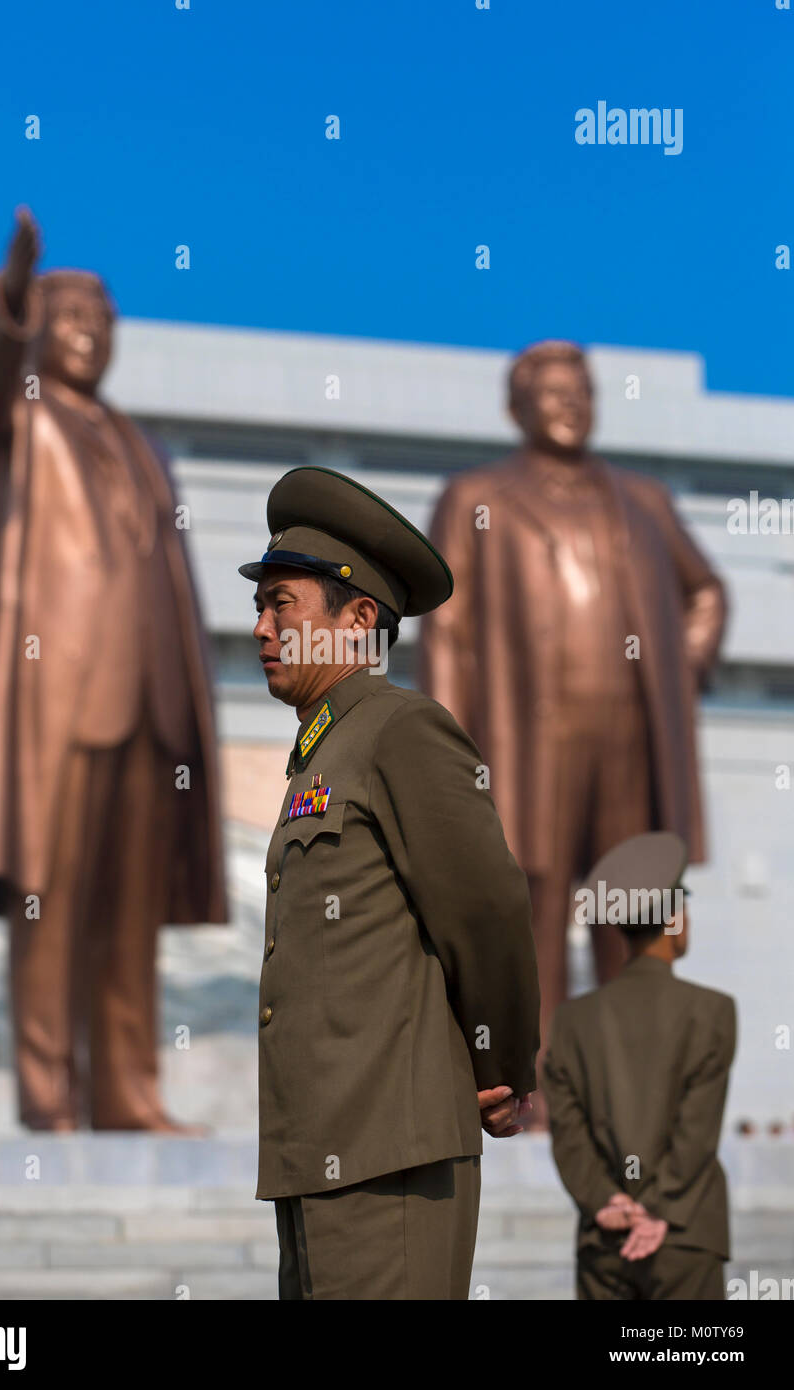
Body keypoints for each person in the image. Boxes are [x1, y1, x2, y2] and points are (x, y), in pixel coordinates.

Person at [0, 207, 227, 1131]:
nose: (89, 337)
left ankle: (127, 1088)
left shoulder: (143, 446)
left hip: (150, 704)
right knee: (50, 897)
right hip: (58, 699)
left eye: (102, 325)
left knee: (130, 916)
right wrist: (9, 302)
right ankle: (48, 1091)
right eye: (70, 321)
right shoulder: (13, 422)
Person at [238, 465, 540, 1299]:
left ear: (358, 618)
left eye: (280, 606)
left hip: (389, 1156)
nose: (260, 628)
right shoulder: (323, 754)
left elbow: (484, 911)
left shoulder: (402, 731)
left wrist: (502, 1067)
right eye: (258, 608)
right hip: (322, 1160)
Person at [419, 340, 727, 1125]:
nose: (569, 405)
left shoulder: (643, 499)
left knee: (630, 914)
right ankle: (535, 1088)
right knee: (533, 913)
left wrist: (678, 670)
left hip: (629, 737)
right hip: (528, 740)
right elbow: (446, 633)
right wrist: (449, 751)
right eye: (551, 393)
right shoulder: (476, 496)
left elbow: (705, 594)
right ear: (516, 407)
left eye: (580, 391)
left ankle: (626, 1097)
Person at [543, 831, 736, 1300]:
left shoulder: (572, 1018)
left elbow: (568, 1131)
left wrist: (606, 1200)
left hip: (605, 1236)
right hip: (684, 1234)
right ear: (674, 919)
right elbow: (697, 1129)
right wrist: (657, 1209)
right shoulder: (711, 1010)